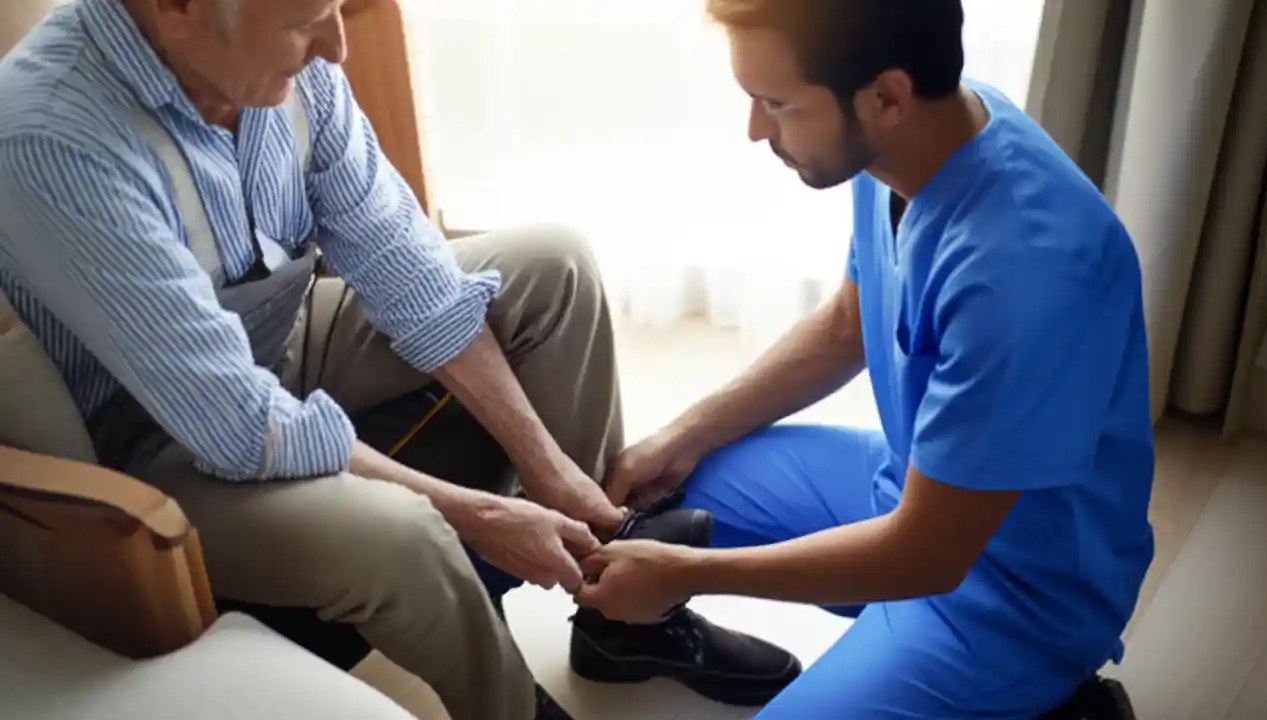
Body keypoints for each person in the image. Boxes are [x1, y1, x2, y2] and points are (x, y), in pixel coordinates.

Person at [0, 1, 798, 718]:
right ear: (176, 10)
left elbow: (407, 269)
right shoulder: (52, 134)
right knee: (407, 533)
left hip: (279, 337)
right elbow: (238, 424)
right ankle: (513, 708)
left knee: (556, 269)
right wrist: (481, 515)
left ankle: (616, 616)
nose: (336, 46)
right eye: (303, 20)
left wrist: (548, 469)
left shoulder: (290, 66)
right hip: (160, 438)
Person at [576, 0, 1156, 717]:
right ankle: (623, 637)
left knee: (674, 553)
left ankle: (1059, 702)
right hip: (911, 484)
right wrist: (685, 434)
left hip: (1007, 591)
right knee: (657, 496)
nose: (756, 131)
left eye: (775, 105)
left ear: (886, 97)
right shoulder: (904, 143)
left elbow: (927, 557)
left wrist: (687, 573)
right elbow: (850, 324)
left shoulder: (1025, 270)